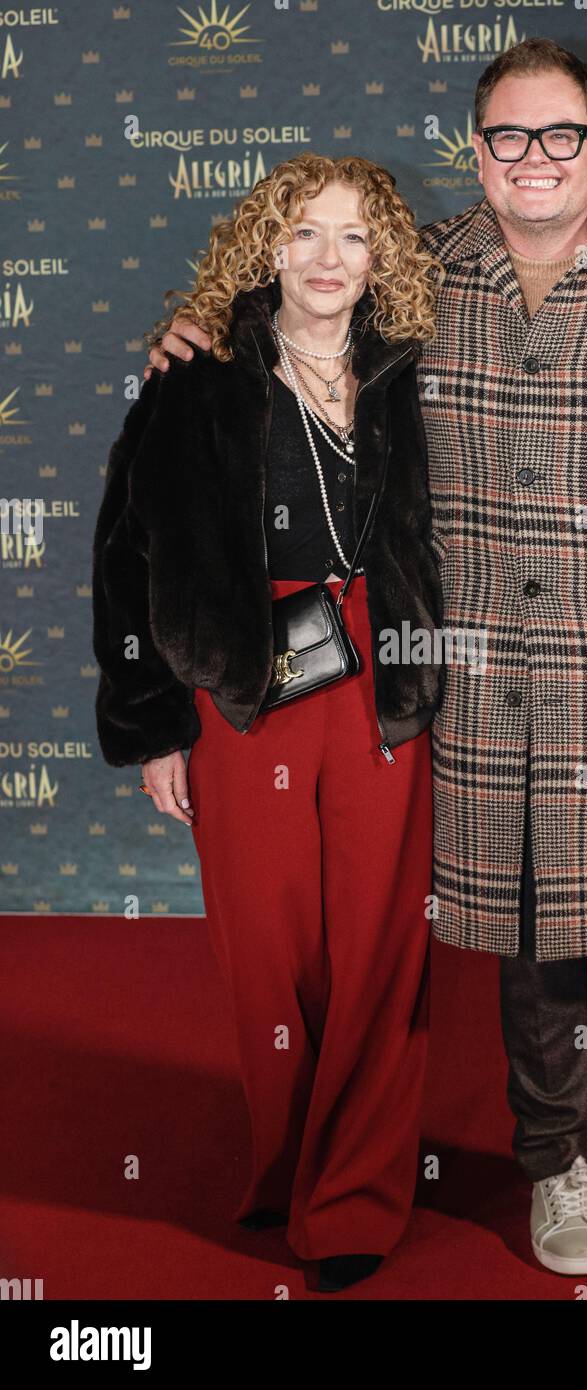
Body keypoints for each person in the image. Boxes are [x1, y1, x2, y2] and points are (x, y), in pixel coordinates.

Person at [145, 40, 587, 1277]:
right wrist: (195, 335)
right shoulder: (424, 270)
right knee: (530, 926)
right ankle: (553, 1158)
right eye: (508, 137)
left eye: (559, 137)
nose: (533, 160)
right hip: (483, 674)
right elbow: (295, 312)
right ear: (477, 153)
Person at [92, 155, 445, 1292]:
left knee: (381, 949)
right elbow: (123, 554)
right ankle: (289, 1160)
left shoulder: (408, 367)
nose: (329, 259)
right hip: (251, 689)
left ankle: (349, 1200)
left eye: (353, 237)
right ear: (265, 249)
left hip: (384, 682)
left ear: (381, 256)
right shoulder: (198, 376)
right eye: (304, 234)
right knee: (269, 953)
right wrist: (151, 725)